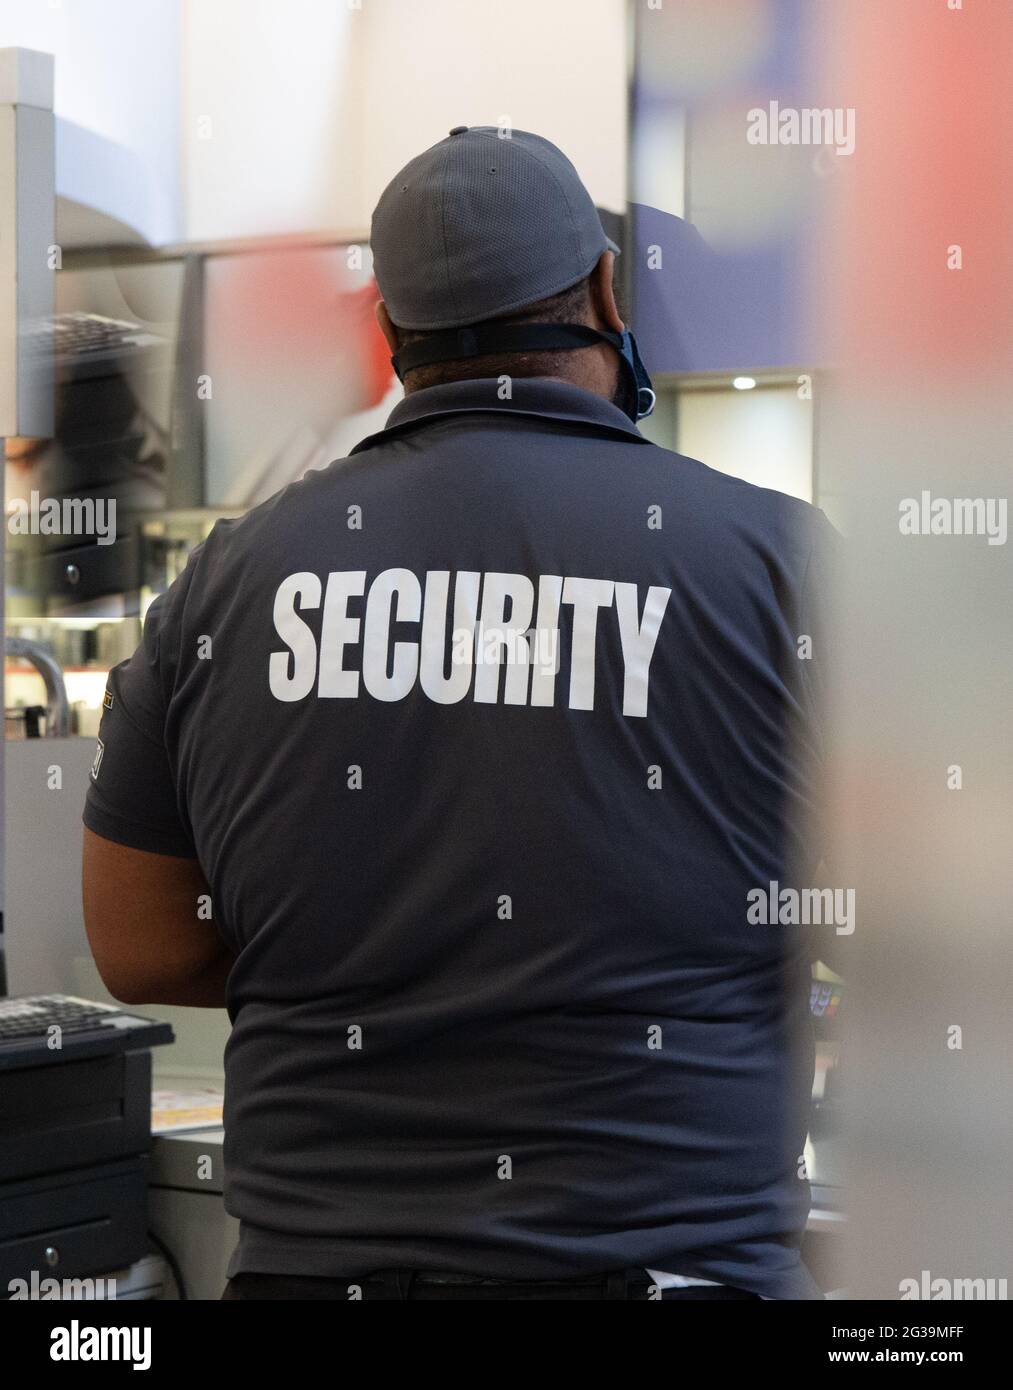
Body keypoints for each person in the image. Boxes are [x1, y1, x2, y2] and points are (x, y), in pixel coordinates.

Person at [82, 127, 833, 1300]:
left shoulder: (228, 582)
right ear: (602, 289)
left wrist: (392, 965)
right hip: (669, 1267)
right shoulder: (780, 564)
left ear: (389, 335)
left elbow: (139, 946)